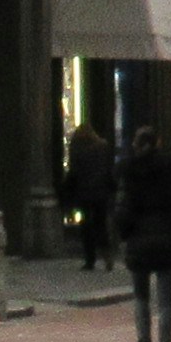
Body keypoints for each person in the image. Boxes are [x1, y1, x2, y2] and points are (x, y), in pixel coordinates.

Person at [120, 123, 171, 342]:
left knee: (141, 298)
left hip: (139, 240)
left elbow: (124, 208)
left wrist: (123, 234)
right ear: (158, 143)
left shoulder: (128, 170)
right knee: (165, 302)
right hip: (166, 239)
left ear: (137, 145)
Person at [62, 115, 118, 271]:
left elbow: (73, 172)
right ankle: (107, 256)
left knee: (86, 225)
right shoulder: (103, 146)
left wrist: (68, 193)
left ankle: (90, 259)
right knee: (101, 225)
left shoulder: (77, 147)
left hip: (84, 193)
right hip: (101, 193)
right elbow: (109, 170)